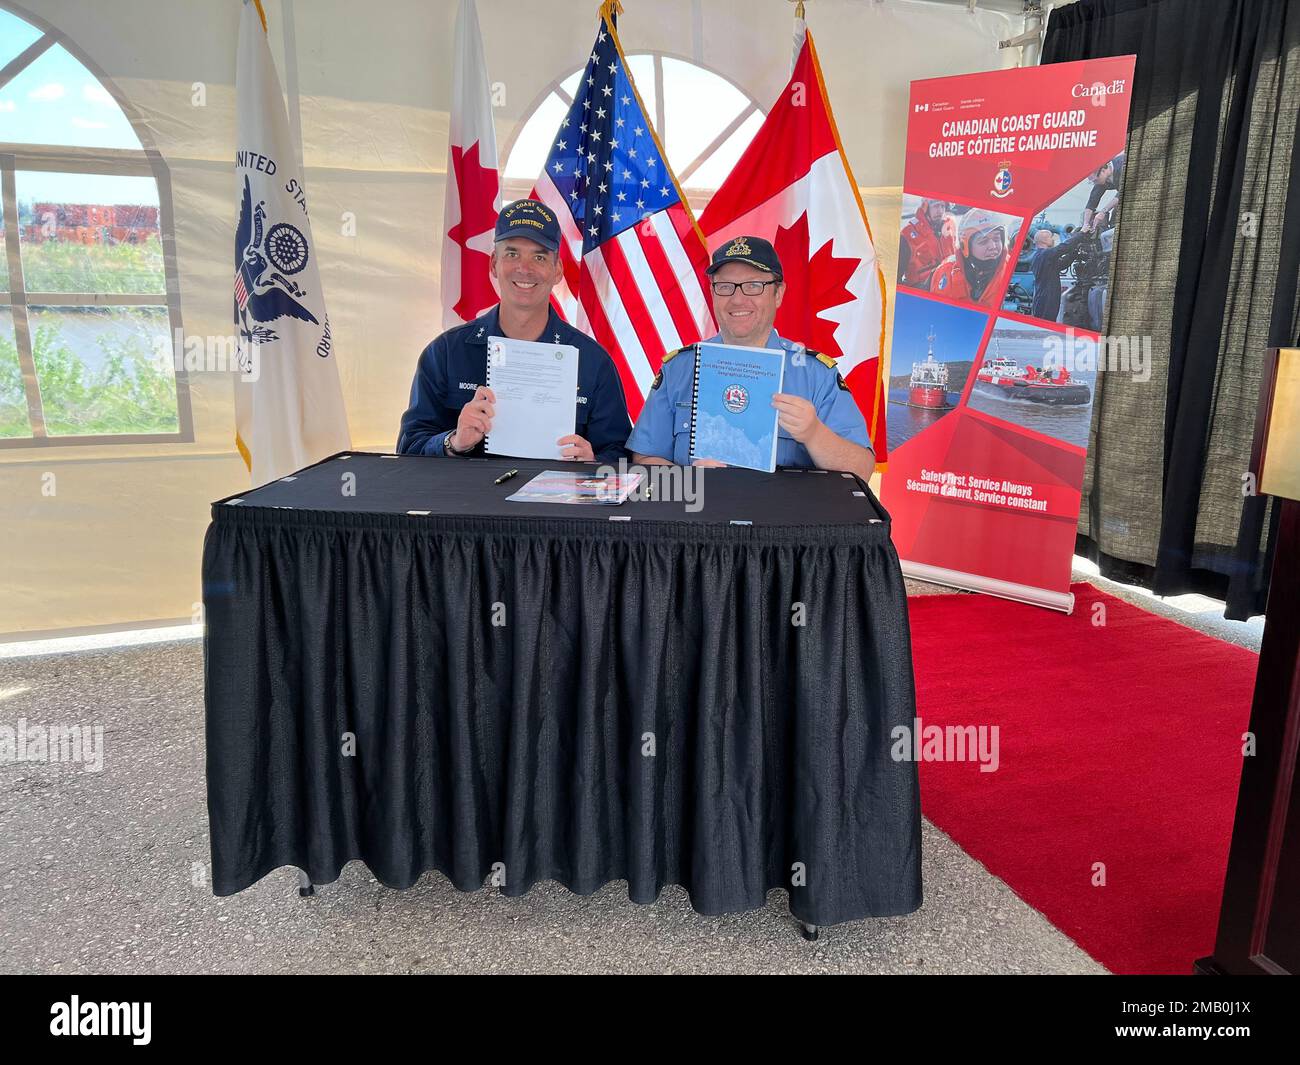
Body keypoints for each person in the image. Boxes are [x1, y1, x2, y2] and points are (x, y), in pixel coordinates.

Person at [396, 199, 630, 462]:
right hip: (467, 502)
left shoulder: (593, 362)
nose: (524, 268)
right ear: (494, 264)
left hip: (557, 502)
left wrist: (592, 462)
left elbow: (620, 457)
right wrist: (453, 441)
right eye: (512, 254)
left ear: (557, 271)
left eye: (539, 256)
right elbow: (408, 449)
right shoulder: (445, 353)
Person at [626, 235, 874, 481]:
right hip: (699, 513)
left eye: (753, 285)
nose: (737, 299)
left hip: (783, 519)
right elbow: (645, 459)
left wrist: (813, 433)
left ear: (778, 293)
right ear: (712, 292)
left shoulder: (815, 375)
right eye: (725, 286)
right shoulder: (679, 369)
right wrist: (686, 478)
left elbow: (862, 470)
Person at [929, 210, 1012, 309]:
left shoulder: (1012, 269)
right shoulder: (943, 272)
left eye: (996, 239)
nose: (993, 246)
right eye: (983, 241)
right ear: (965, 246)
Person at [1027, 226, 1085, 323]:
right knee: (1046, 321)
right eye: (1050, 237)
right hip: (1047, 297)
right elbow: (1063, 248)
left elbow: (1062, 264)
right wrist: (1081, 234)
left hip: (1047, 295)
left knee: (1048, 320)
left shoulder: (1042, 256)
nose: (1053, 240)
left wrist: (1074, 253)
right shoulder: (1044, 254)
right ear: (1044, 240)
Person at [898, 198, 956, 290]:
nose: (940, 211)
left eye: (943, 206)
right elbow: (896, 275)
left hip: (947, 281)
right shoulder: (908, 234)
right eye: (936, 206)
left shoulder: (949, 227)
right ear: (926, 208)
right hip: (921, 289)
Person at [1083, 152, 1124, 233]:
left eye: (1095, 180)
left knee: (1117, 212)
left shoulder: (1123, 165)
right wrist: (1085, 224)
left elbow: (1123, 192)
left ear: (1103, 170)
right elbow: (1092, 201)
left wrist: (1103, 211)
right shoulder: (1102, 179)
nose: (1095, 183)